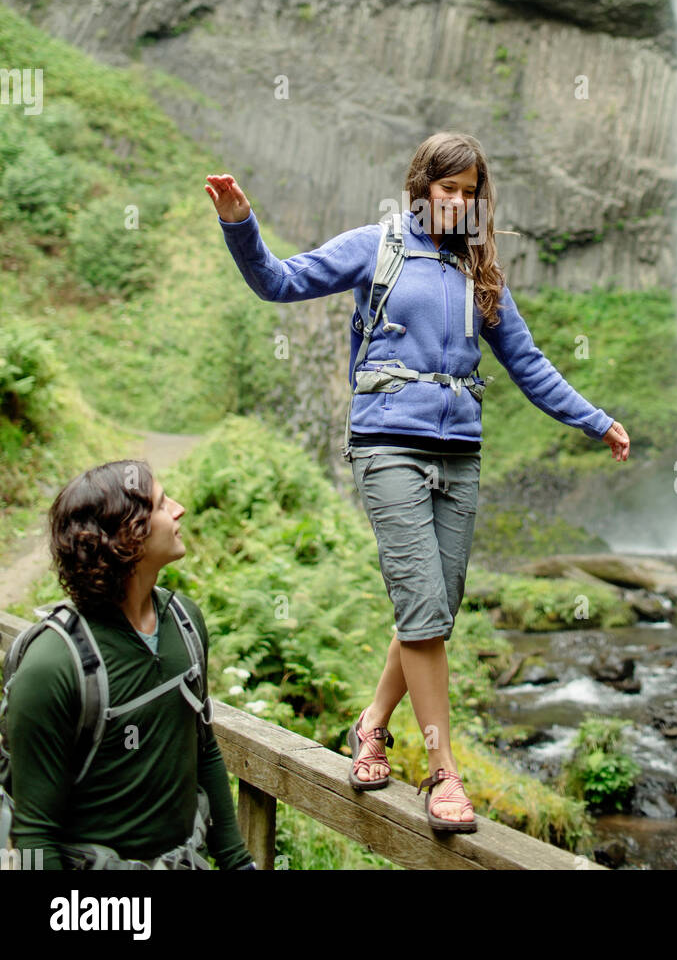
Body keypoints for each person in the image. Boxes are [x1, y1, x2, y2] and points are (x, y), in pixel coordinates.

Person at [207, 131, 629, 833]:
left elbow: (528, 362)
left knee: (435, 610)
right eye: (448, 189)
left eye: (471, 192)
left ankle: (371, 725)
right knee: (424, 607)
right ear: (421, 187)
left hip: (460, 454)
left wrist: (596, 421)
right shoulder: (377, 246)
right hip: (387, 447)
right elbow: (278, 281)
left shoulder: (480, 272)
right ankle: (444, 773)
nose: (459, 203)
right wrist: (239, 223)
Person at [5, 461, 255, 869]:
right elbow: (34, 833)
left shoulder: (185, 623)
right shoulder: (52, 667)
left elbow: (203, 746)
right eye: (161, 504)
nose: (179, 510)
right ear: (127, 536)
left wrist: (237, 861)